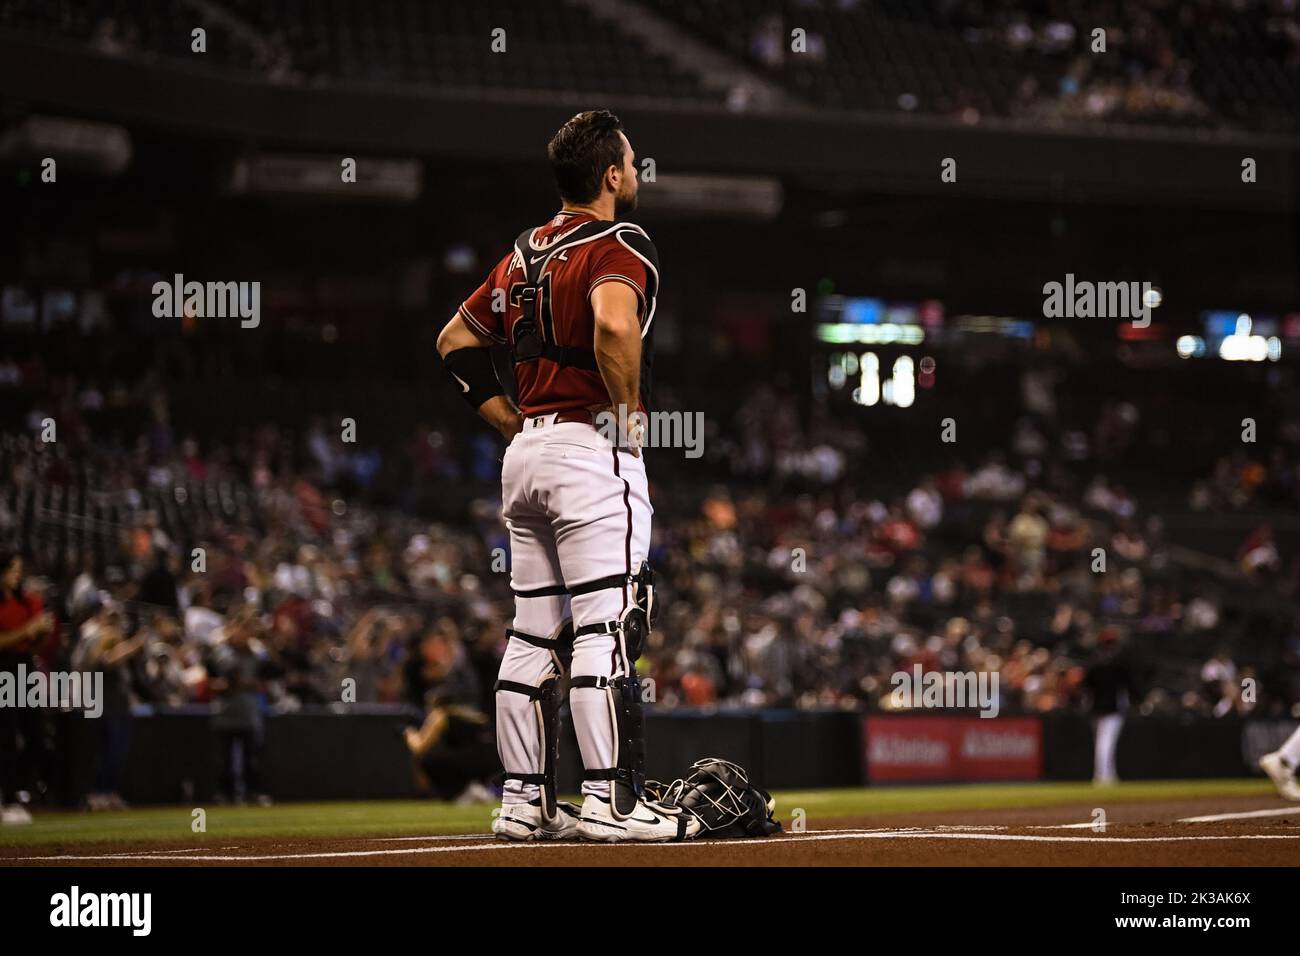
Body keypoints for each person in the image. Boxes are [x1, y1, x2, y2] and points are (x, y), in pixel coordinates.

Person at [436, 110, 697, 842]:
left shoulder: (523, 253)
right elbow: (614, 325)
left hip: (527, 456)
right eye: (633, 162)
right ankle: (611, 801)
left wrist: (511, 422)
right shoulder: (621, 241)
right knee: (606, 623)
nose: (638, 173)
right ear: (611, 175)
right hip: (589, 446)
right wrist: (625, 415)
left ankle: (523, 802)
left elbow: (454, 341)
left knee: (531, 631)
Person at [0, 552, 54, 825]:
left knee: (36, 736)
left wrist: (41, 632)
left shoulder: (27, 601)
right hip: (2, 668)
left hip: (24, 667)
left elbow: (36, 646)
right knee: (7, 736)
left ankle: (14, 788)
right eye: (12, 569)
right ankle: (8, 798)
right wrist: (28, 629)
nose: (17, 575)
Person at [1083, 627, 1136, 785]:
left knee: (1102, 742)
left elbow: (1086, 686)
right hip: (1112, 708)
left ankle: (1108, 775)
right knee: (1106, 743)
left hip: (1096, 708)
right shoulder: (1118, 663)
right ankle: (1102, 777)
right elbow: (1130, 686)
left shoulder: (1094, 662)